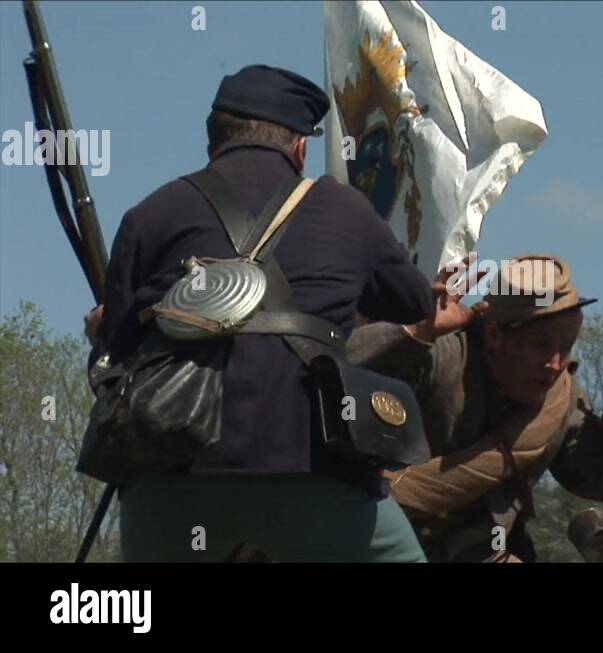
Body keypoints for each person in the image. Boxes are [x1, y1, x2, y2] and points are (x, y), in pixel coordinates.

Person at [87, 64, 434, 562]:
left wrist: (102, 328)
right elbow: (415, 302)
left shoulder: (151, 213)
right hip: (310, 468)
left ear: (213, 142)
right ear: (299, 148)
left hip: (174, 474)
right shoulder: (345, 210)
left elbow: (111, 357)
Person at [347, 254, 603, 561]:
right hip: (377, 532)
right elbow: (342, 370)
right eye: (541, 345)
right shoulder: (441, 356)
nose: (556, 363)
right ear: (493, 335)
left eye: (566, 346)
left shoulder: (561, 398)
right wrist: (416, 334)